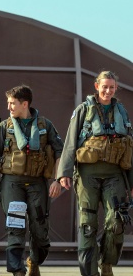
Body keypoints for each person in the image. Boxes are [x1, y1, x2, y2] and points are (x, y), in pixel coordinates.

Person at [56, 71, 133, 276]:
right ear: (96, 86)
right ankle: (90, 272)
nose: (108, 90)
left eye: (112, 87)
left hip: (115, 174)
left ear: (116, 88)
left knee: (117, 220)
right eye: (104, 86)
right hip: (87, 174)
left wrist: (132, 182)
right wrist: (64, 173)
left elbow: (129, 148)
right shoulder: (83, 110)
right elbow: (71, 142)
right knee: (87, 224)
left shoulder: (122, 112)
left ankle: (106, 263)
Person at [0, 85, 63, 276]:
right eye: (8, 103)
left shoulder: (45, 125)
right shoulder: (5, 127)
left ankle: (34, 261)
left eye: (12, 103)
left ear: (24, 104)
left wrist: (58, 180)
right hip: (12, 182)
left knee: (40, 229)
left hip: (38, 183)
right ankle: (17, 270)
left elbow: (60, 151)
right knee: (15, 226)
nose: (9, 107)